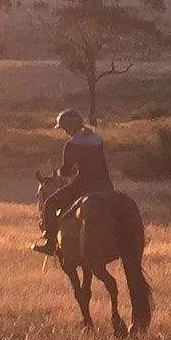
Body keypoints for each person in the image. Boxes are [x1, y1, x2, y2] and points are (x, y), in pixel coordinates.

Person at [33, 109, 113, 255]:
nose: (65, 132)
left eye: (64, 129)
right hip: (106, 186)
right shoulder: (98, 140)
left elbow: (65, 172)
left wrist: (62, 171)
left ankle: (50, 243)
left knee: (49, 204)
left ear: (69, 127)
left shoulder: (71, 145)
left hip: (84, 187)